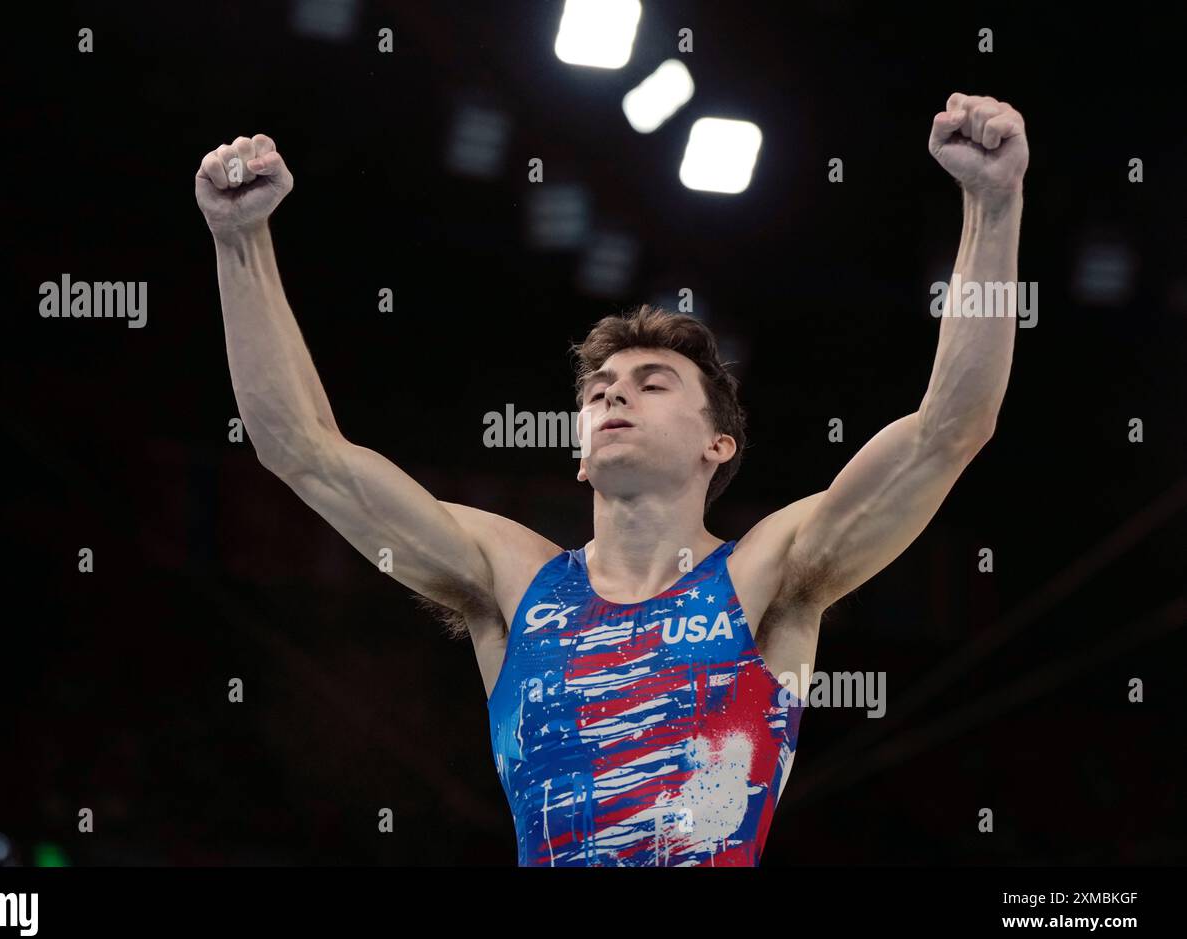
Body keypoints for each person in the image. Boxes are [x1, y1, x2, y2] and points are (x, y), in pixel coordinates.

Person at [194, 92, 1028, 866]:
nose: (613, 394)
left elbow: (947, 432)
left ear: (718, 445)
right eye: (597, 392)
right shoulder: (509, 581)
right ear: (580, 450)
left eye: (652, 383)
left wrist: (992, 207)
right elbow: (300, 450)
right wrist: (240, 242)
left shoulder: (768, 577)